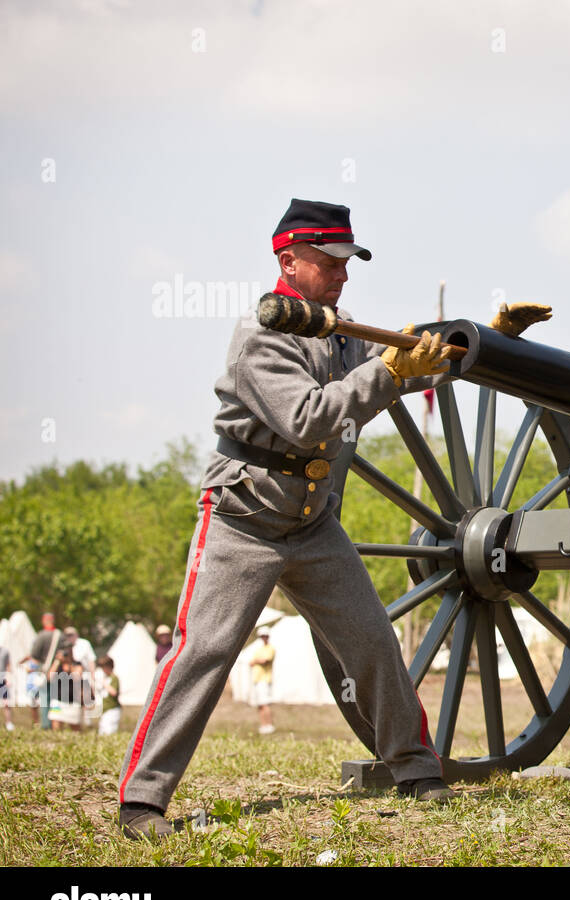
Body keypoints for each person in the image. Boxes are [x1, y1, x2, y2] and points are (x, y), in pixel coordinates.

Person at [116, 198, 471, 840]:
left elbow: (391, 380)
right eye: (330, 261)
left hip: (311, 524)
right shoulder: (261, 334)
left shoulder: (340, 328)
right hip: (243, 515)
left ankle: (417, 770)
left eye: (347, 262)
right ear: (289, 260)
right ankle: (142, 800)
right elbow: (311, 417)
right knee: (205, 652)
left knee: (371, 641)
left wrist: (465, 347)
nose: (342, 273)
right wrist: (391, 372)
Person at [249, 626, 275, 734]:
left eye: (265, 636)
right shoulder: (259, 649)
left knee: (265, 704)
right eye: (262, 636)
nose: (264, 638)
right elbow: (251, 662)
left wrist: (256, 661)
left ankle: (269, 725)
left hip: (265, 679)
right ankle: (263, 725)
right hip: (257, 679)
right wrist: (256, 661)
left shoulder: (271, 649)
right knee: (260, 704)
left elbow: (265, 661)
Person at [96, 657, 122, 736]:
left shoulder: (114, 678)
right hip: (104, 709)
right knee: (102, 731)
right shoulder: (105, 678)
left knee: (109, 731)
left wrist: (104, 683)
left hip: (112, 709)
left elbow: (114, 692)